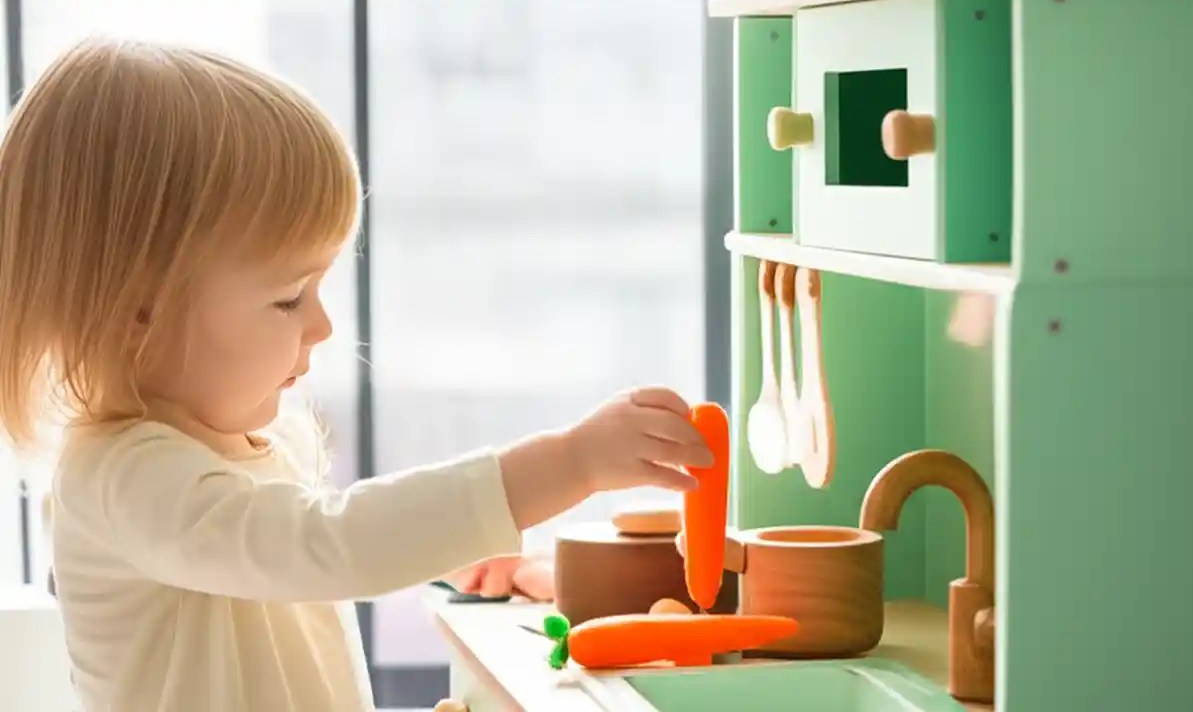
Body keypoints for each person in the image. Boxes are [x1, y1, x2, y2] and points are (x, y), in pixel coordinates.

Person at [0, 38, 710, 712]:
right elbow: (329, 545)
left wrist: (455, 539)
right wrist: (567, 463)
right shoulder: (121, 481)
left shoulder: (236, 451)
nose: (323, 326)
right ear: (137, 311)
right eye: (288, 298)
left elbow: (303, 596)